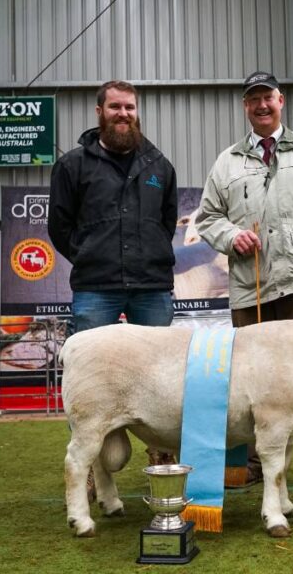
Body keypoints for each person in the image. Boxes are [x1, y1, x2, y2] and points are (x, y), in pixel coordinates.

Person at [196, 71, 293, 490]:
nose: (261, 105)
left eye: (268, 98)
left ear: (281, 101)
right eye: (253, 99)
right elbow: (207, 217)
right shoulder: (227, 162)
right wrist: (229, 235)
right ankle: (254, 462)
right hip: (250, 288)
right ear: (246, 107)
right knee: (249, 378)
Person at [48, 80, 179, 472]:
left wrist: (149, 254)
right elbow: (60, 227)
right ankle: (88, 465)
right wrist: (89, 257)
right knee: (91, 379)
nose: (123, 114)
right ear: (99, 112)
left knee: (164, 377)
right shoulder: (72, 165)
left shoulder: (159, 166)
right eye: (115, 107)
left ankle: (162, 454)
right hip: (95, 289)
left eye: (130, 108)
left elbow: (166, 223)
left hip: (151, 288)